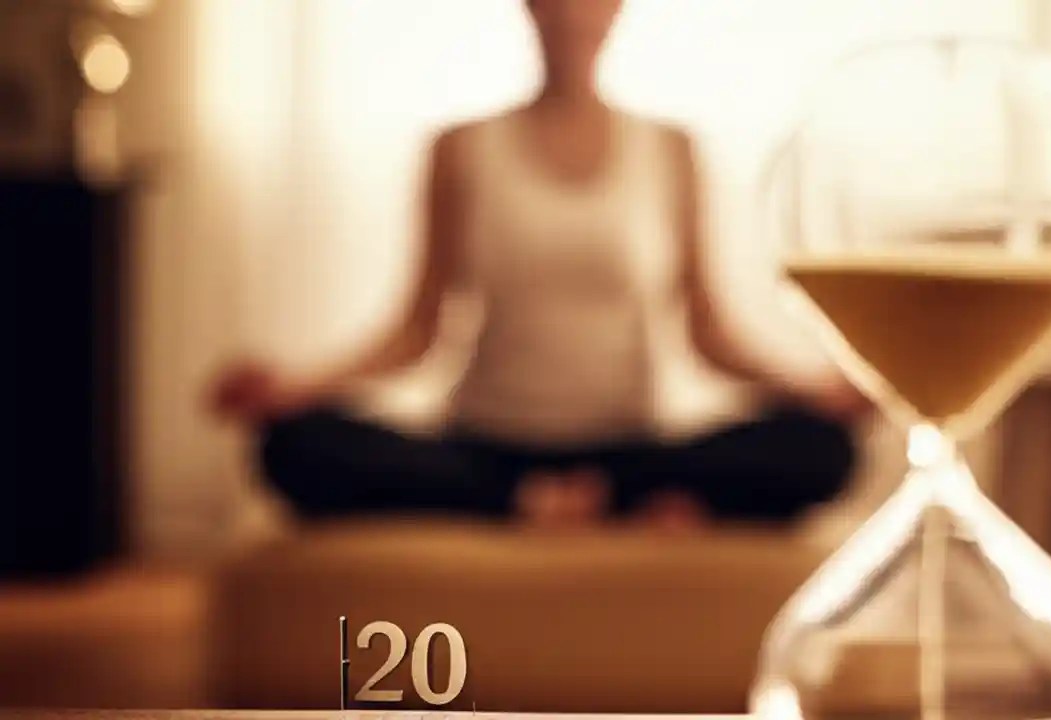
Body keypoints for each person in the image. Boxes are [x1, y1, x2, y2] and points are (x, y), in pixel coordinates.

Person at [209, 0, 866, 530]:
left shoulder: (670, 150)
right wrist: (296, 389)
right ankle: (549, 506)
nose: (570, 14)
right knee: (293, 447)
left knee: (822, 450)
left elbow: (708, 333)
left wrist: (816, 390)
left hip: (628, 450)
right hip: (486, 453)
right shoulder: (460, 147)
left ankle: (599, 498)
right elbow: (415, 330)